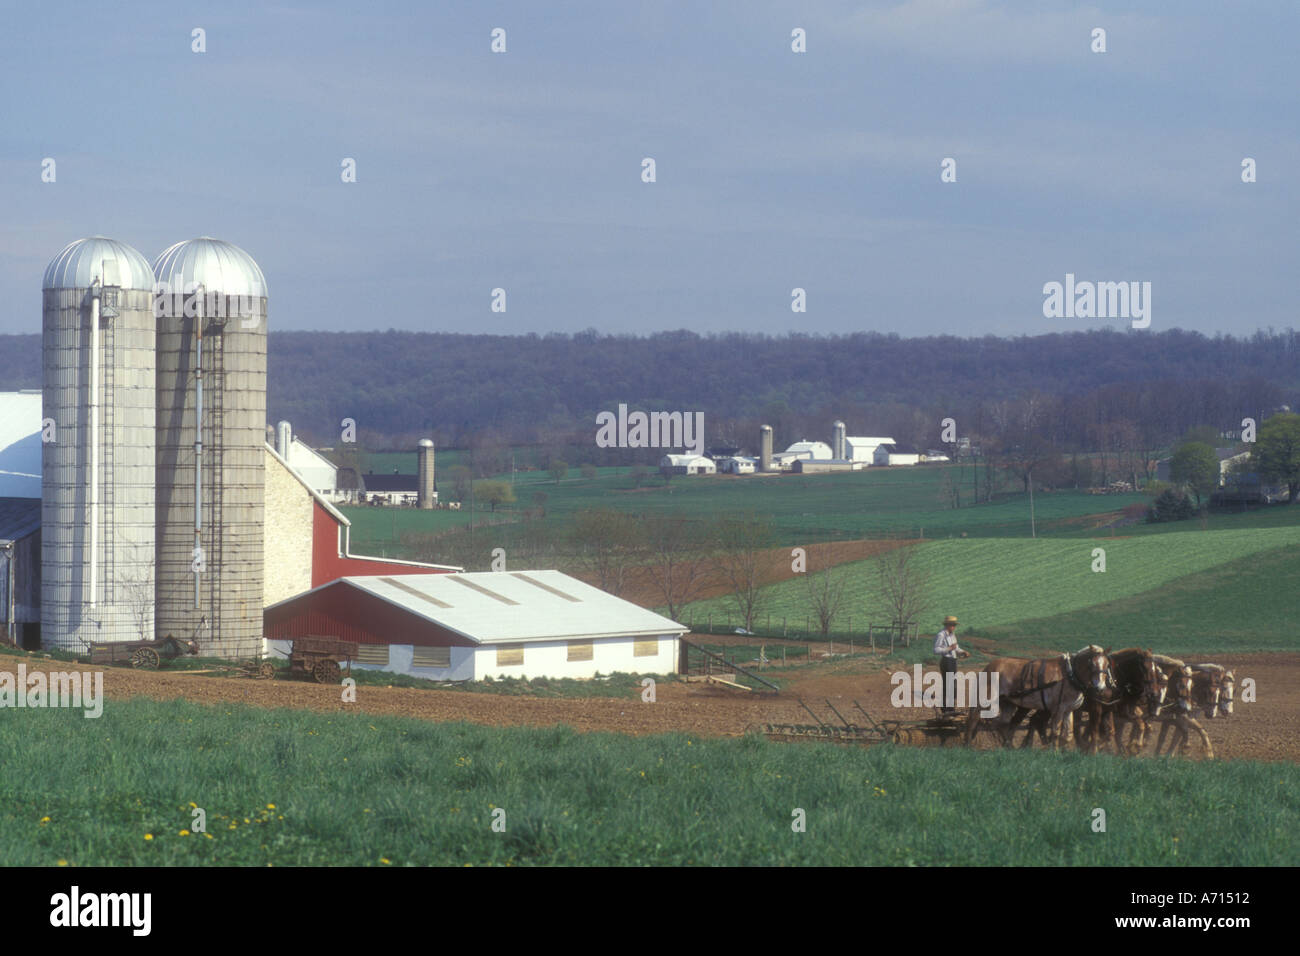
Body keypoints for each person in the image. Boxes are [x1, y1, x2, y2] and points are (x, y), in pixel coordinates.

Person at [933, 615, 970, 715]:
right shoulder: (941, 635)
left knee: (952, 685)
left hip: (953, 661)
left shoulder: (952, 635)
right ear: (947, 625)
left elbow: (956, 648)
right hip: (946, 661)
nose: (954, 627)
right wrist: (948, 649)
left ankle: (950, 708)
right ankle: (946, 709)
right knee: (948, 685)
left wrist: (963, 652)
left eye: (954, 625)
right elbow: (936, 650)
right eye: (952, 625)